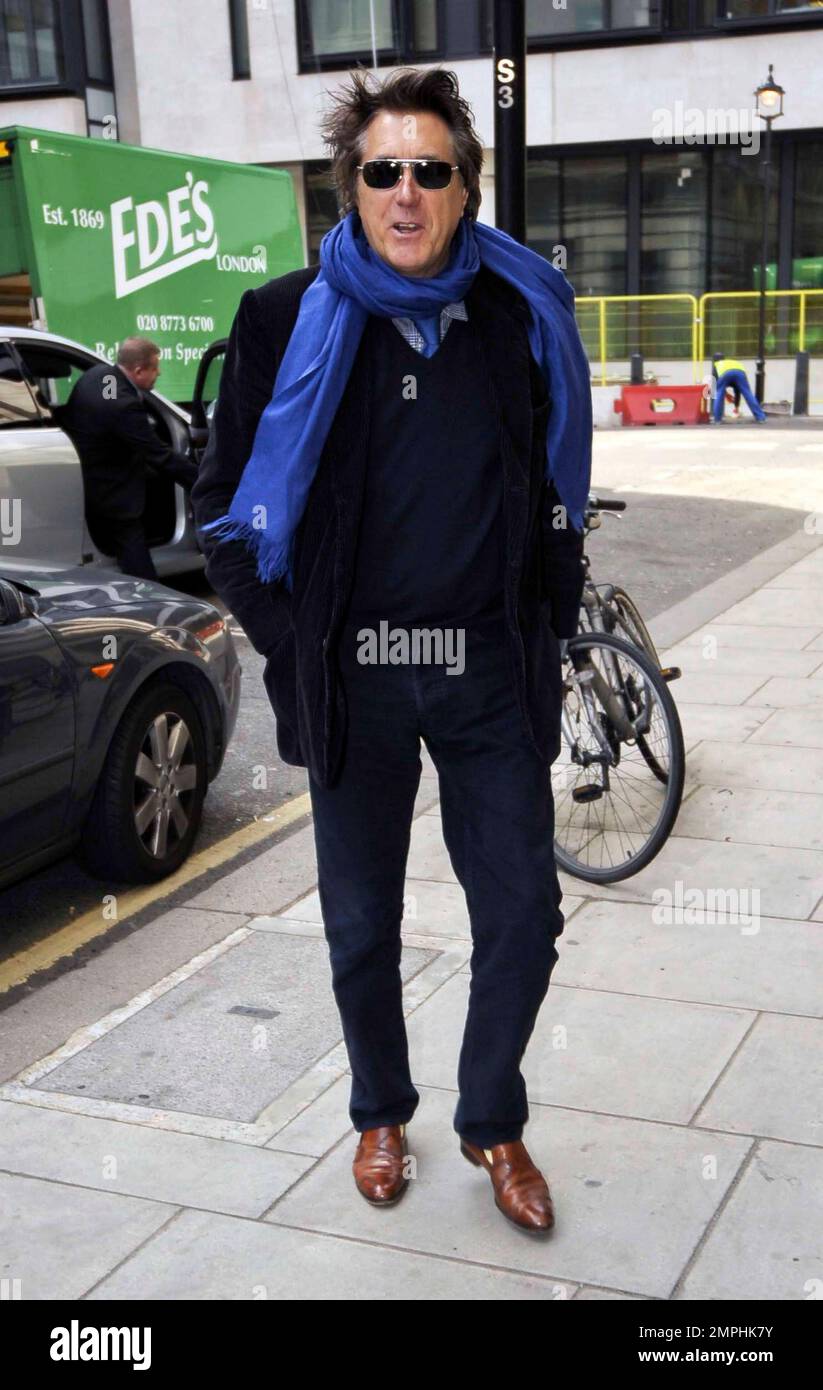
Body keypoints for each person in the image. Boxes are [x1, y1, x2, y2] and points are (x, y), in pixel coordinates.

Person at [192, 67, 592, 1233]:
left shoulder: (521, 316)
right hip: (355, 674)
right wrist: (289, 645)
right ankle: (379, 1106)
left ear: (466, 187)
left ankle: (492, 1119)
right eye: (383, 172)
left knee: (521, 914)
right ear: (350, 187)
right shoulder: (280, 321)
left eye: (431, 171)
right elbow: (226, 515)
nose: (406, 194)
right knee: (360, 922)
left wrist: (550, 624)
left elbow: (559, 497)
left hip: (484, 668)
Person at [62, 337, 197, 579]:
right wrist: (202, 481)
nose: (159, 373)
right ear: (138, 370)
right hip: (111, 492)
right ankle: (149, 599)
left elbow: (108, 417)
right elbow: (160, 456)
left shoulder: (99, 376)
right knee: (132, 546)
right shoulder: (124, 406)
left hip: (89, 471)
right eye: (155, 368)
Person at [711, 352, 766, 423]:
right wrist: (736, 407)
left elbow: (717, 386)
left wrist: (726, 395)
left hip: (725, 374)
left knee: (718, 393)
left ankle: (717, 420)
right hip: (740, 372)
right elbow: (737, 391)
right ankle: (760, 418)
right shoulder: (731, 362)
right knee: (748, 394)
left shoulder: (717, 365)